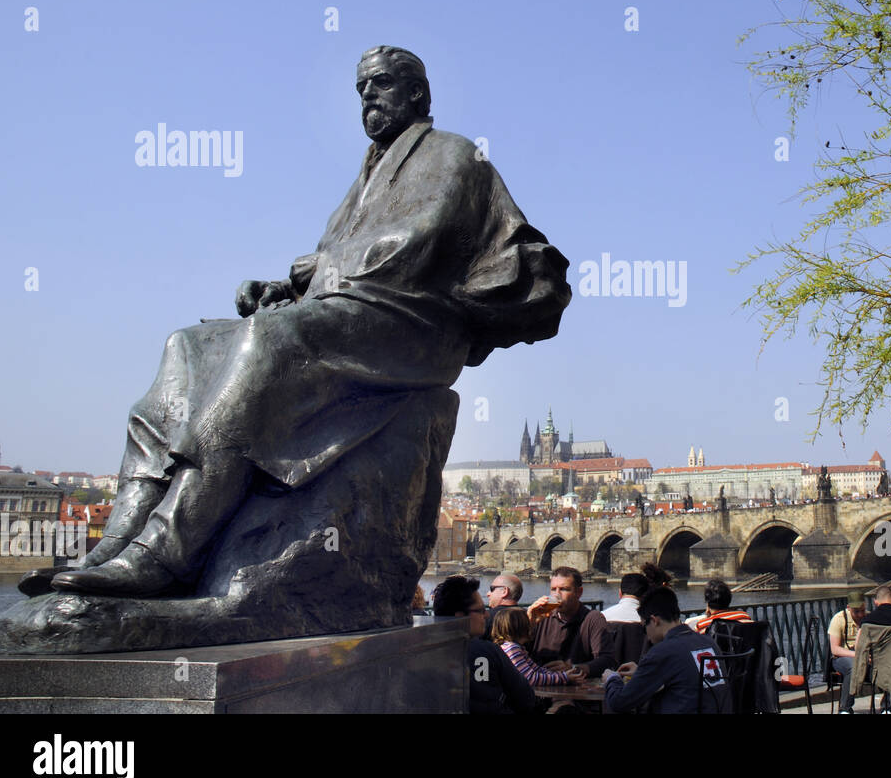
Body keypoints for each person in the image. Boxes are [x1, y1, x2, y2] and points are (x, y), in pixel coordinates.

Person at [48, 46, 569, 599]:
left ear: (417, 93)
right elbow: (330, 261)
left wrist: (321, 270)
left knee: (269, 340)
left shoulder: (455, 155)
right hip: (352, 316)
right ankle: (124, 533)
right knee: (187, 346)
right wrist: (283, 286)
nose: (368, 96)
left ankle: (168, 551)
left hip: (413, 327)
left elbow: (421, 241)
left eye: (381, 84)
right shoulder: (366, 177)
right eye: (361, 88)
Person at [602, 587, 728, 714]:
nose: (646, 635)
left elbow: (619, 702)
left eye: (644, 627)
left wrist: (612, 678)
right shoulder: (708, 642)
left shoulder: (662, 652)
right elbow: (685, 679)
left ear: (654, 621)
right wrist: (642, 672)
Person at [432, 575, 535, 715]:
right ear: (460, 616)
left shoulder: (423, 653)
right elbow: (525, 698)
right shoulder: (486, 651)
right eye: (480, 611)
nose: (486, 615)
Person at [527, 566, 615, 679]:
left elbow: (607, 661)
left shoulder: (592, 618)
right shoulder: (542, 617)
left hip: (573, 691)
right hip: (541, 687)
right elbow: (518, 656)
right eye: (553, 589)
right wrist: (529, 624)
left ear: (579, 592)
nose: (557, 595)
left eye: (564, 589)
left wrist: (574, 668)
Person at [492, 607, 580, 687]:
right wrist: (564, 678)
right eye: (529, 622)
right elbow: (530, 679)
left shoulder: (516, 648)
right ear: (522, 628)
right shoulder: (512, 649)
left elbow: (536, 670)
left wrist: (562, 674)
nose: (533, 625)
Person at [828, 590, 868, 713]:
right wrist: (856, 655)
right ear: (849, 608)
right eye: (856, 611)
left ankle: (887, 706)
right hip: (842, 657)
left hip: (865, 656)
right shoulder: (839, 619)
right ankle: (844, 707)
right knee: (853, 666)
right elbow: (835, 649)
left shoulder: (869, 618)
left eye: (862, 610)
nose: (861, 615)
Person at [484, 573, 522, 639]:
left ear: (504, 591)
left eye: (492, 589)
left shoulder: (485, 617)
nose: (488, 594)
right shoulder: (528, 617)